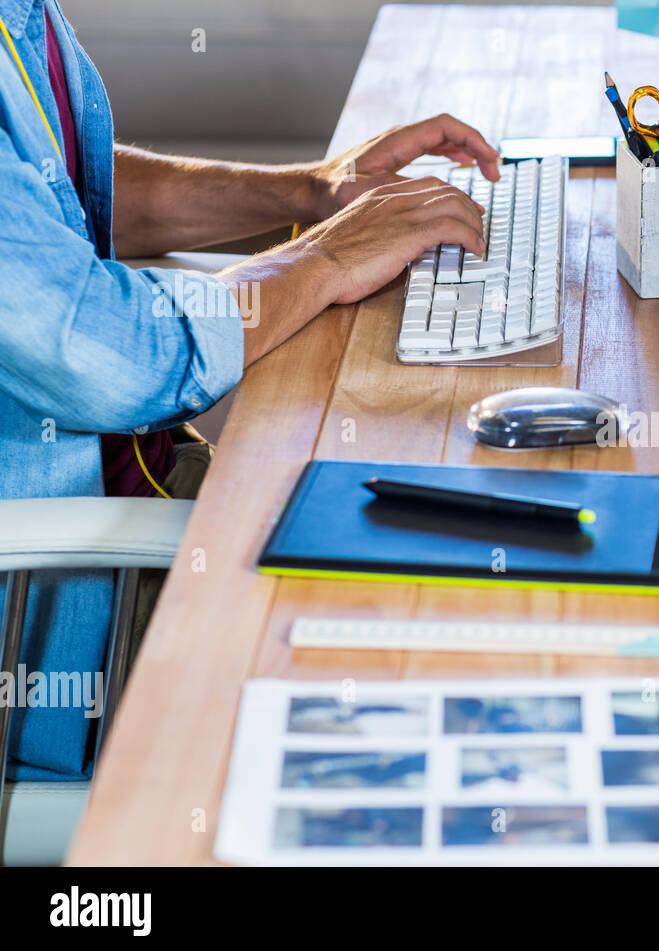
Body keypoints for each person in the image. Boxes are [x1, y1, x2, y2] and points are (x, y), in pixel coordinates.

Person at [0, 0, 497, 779]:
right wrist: (322, 261)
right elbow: (122, 358)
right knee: (441, 664)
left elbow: (56, 202)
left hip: (141, 496)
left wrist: (309, 193)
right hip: (54, 621)